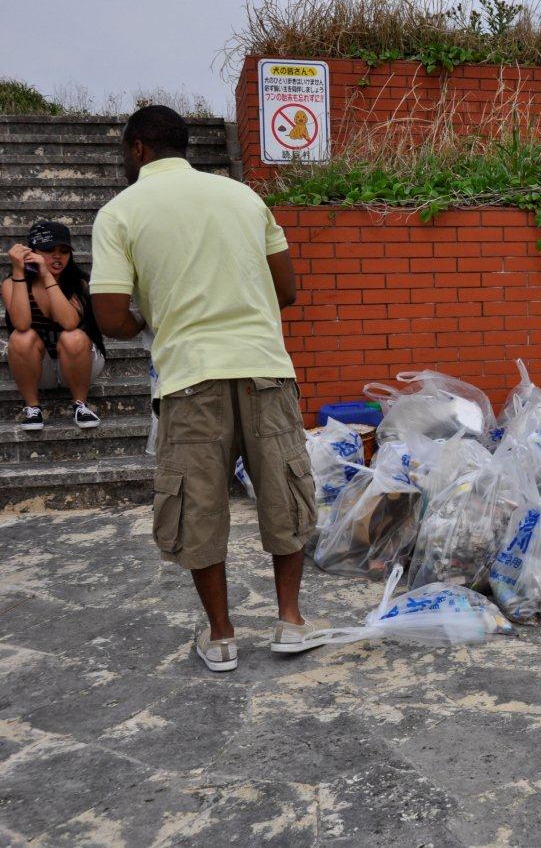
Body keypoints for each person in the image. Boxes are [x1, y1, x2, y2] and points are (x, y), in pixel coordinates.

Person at [90, 105, 324, 673]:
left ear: (138, 149)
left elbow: (111, 317)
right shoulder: (243, 197)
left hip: (190, 379)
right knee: (283, 492)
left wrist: (152, 317)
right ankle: (291, 620)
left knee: (197, 506)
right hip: (264, 369)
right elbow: (287, 290)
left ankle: (221, 637)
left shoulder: (119, 213)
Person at [3, 220, 105, 430]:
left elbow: (69, 323)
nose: (58, 256)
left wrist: (47, 275)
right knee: (21, 337)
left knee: (72, 336)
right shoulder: (11, 283)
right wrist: (19, 271)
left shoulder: (78, 283)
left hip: (81, 362)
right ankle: (33, 408)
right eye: (49, 250)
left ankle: (80, 405)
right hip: (40, 368)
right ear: (32, 252)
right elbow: (21, 324)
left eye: (64, 251)